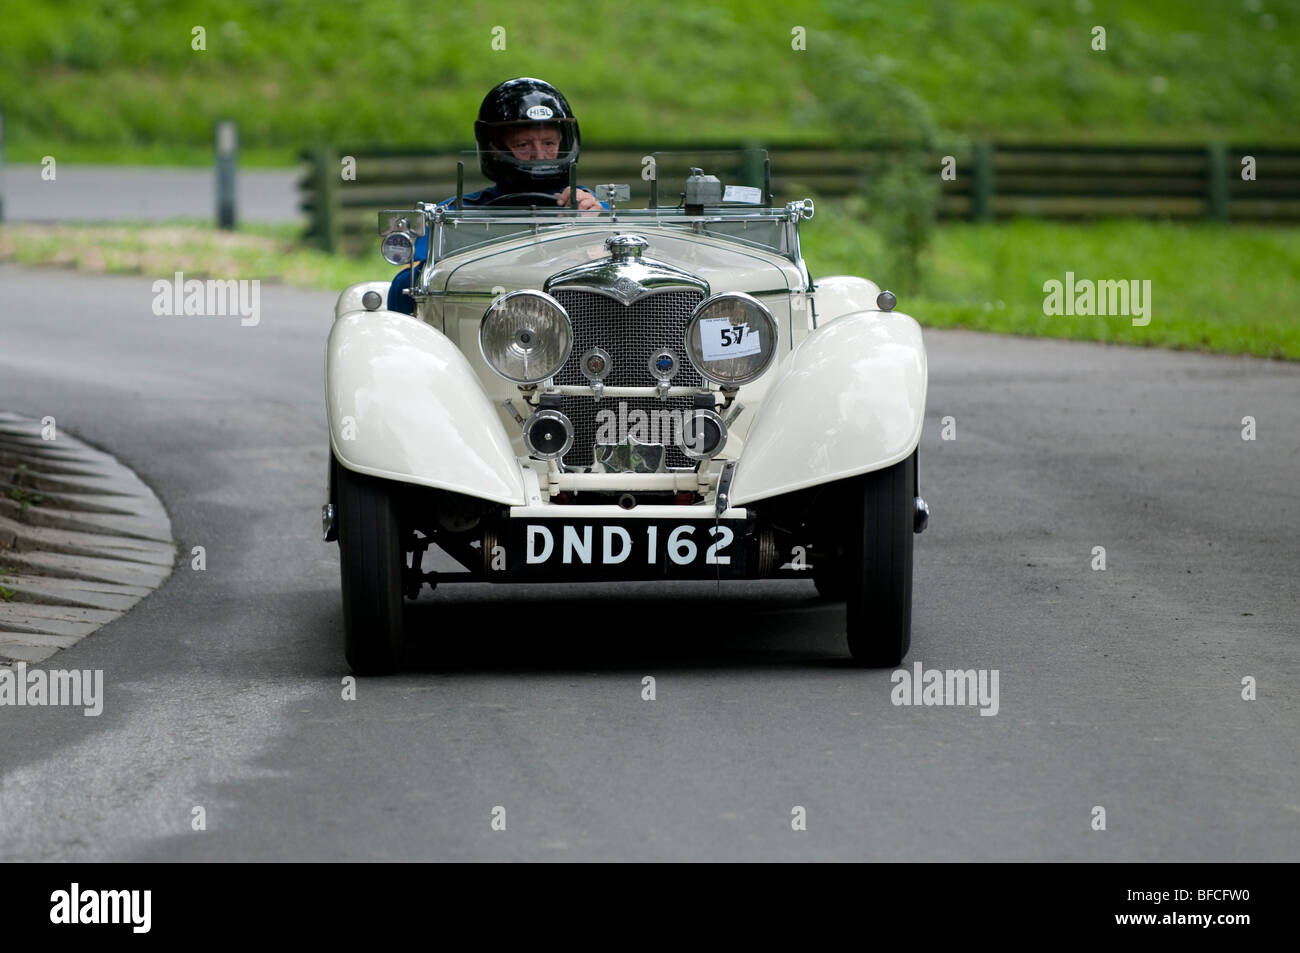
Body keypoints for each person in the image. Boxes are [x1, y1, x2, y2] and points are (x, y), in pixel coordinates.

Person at [388, 77, 604, 313]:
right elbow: (407, 284)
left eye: (549, 142)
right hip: (483, 326)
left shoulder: (590, 207)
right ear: (495, 148)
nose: (540, 155)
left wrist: (591, 231)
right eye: (523, 145)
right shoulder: (458, 214)